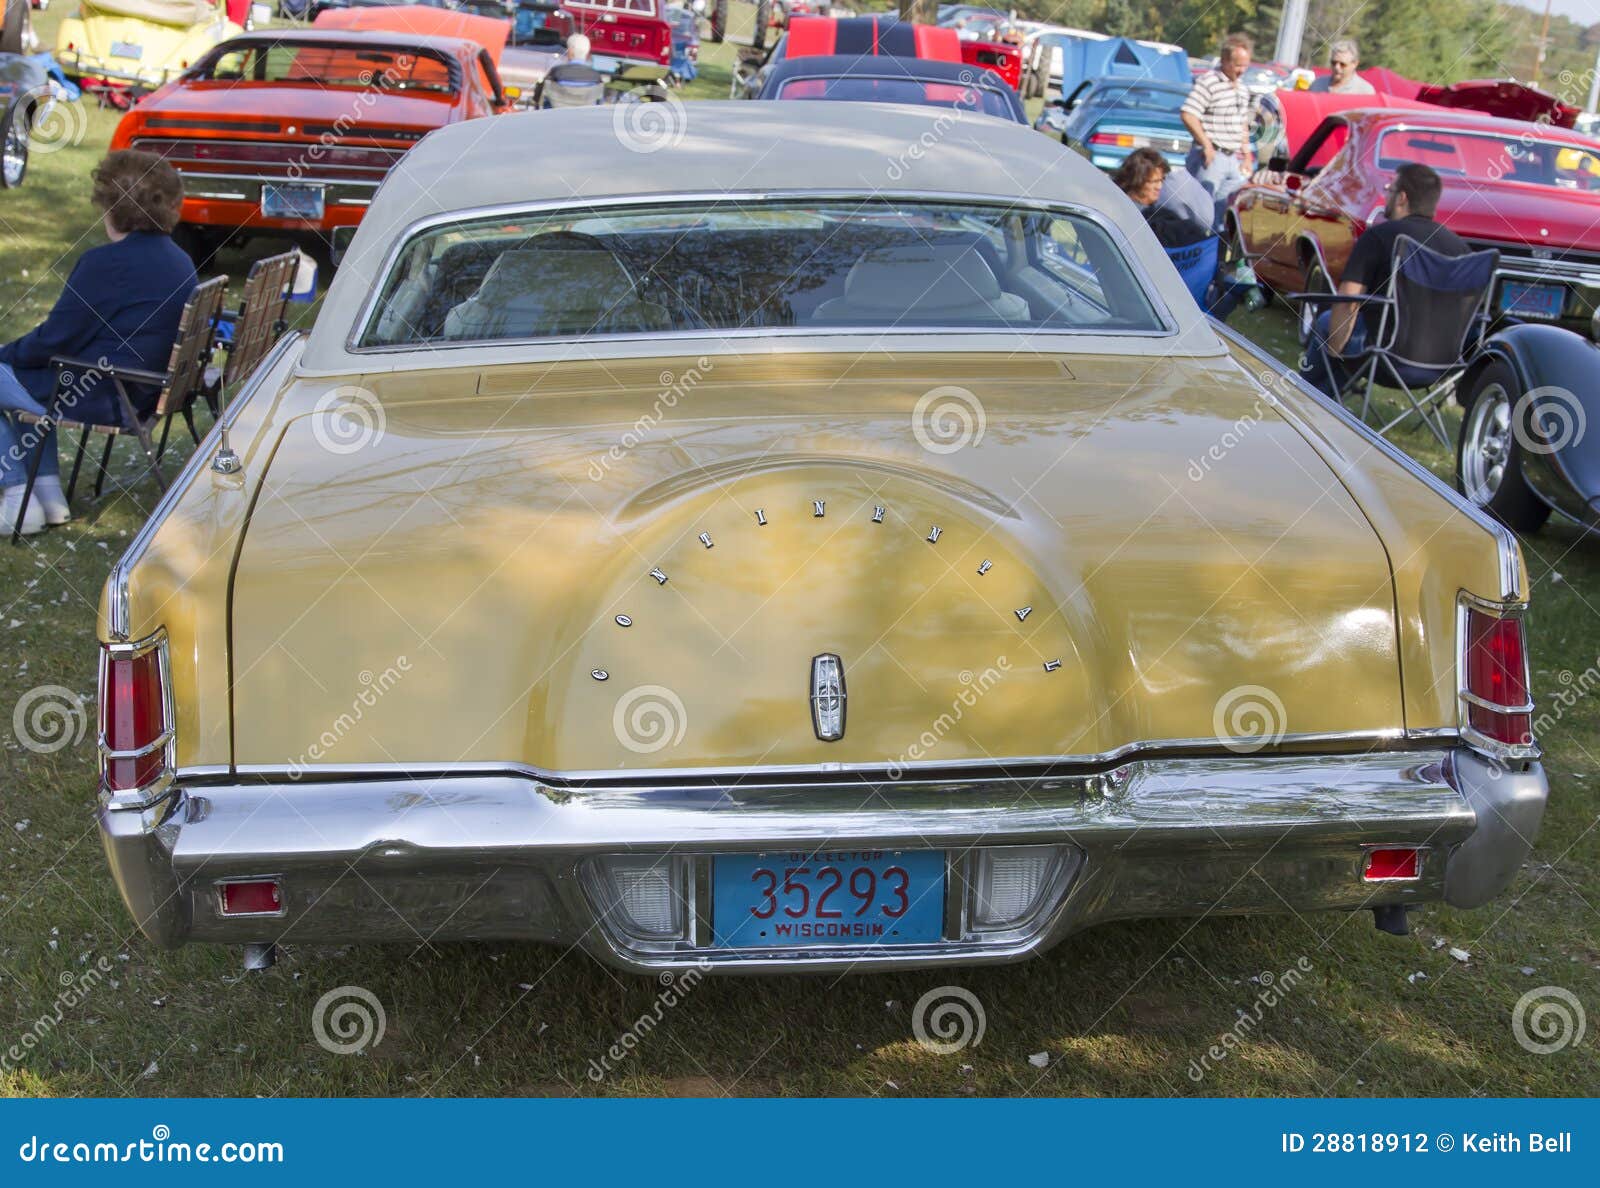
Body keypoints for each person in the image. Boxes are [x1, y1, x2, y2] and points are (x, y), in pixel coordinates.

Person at [1, 151, 197, 535]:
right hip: (139, 389)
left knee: (13, 376)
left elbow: (52, 342)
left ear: (112, 207)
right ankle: (48, 497)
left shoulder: (106, 263)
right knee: (21, 378)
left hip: (105, 393)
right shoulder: (179, 260)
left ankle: (15, 502)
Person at [1301, 162, 1467, 397]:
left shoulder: (1380, 236)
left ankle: (1307, 398)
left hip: (1385, 355)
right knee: (1343, 329)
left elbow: (1348, 299)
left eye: (1389, 189)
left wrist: (1334, 352)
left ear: (1402, 198)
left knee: (1328, 324)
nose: (1386, 194)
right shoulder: (1460, 248)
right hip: (1440, 364)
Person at [1180, 32, 1257, 229]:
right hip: (1211, 157)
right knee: (1200, 213)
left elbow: (1242, 124)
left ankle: (1215, 252)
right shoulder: (1209, 82)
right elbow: (1189, 114)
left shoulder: (1242, 89)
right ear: (1224, 60)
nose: (1241, 70)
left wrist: (1247, 155)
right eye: (1237, 65)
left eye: (1245, 65)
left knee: (1222, 212)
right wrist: (1206, 145)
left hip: (1233, 159)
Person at [1308, 39, 1375, 95]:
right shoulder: (1317, 84)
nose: (1337, 67)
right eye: (1333, 63)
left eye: (1342, 64)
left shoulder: (1365, 91)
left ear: (1355, 64)